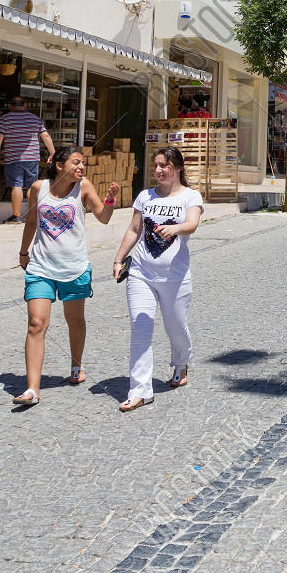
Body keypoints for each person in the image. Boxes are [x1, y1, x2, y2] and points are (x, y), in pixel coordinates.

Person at [11, 148, 121, 406]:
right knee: (36, 323)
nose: (82, 167)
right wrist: (24, 251)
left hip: (74, 267)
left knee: (75, 320)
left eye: (83, 163)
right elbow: (32, 222)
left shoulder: (83, 187)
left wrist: (110, 200)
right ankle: (32, 389)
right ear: (59, 165)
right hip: (41, 266)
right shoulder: (38, 188)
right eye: (76, 162)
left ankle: (76, 366)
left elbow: (103, 218)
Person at [112, 147, 204, 412]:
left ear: (177, 168)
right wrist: (119, 259)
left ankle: (181, 360)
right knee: (141, 326)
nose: (158, 171)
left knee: (176, 326)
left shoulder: (190, 196)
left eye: (163, 165)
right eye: (156, 165)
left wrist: (175, 228)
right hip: (141, 273)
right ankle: (140, 390)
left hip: (175, 277)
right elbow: (134, 229)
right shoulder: (145, 196)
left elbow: (192, 223)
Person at [0, 95, 55, 224]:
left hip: (13, 158)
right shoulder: (35, 119)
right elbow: (45, 135)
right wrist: (52, 153)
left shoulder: (5, 119)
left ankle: (16, 216)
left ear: (10, 107)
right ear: (25, 106)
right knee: (32, 186)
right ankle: (33, 215)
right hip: (32, 159)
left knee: (16, 185)